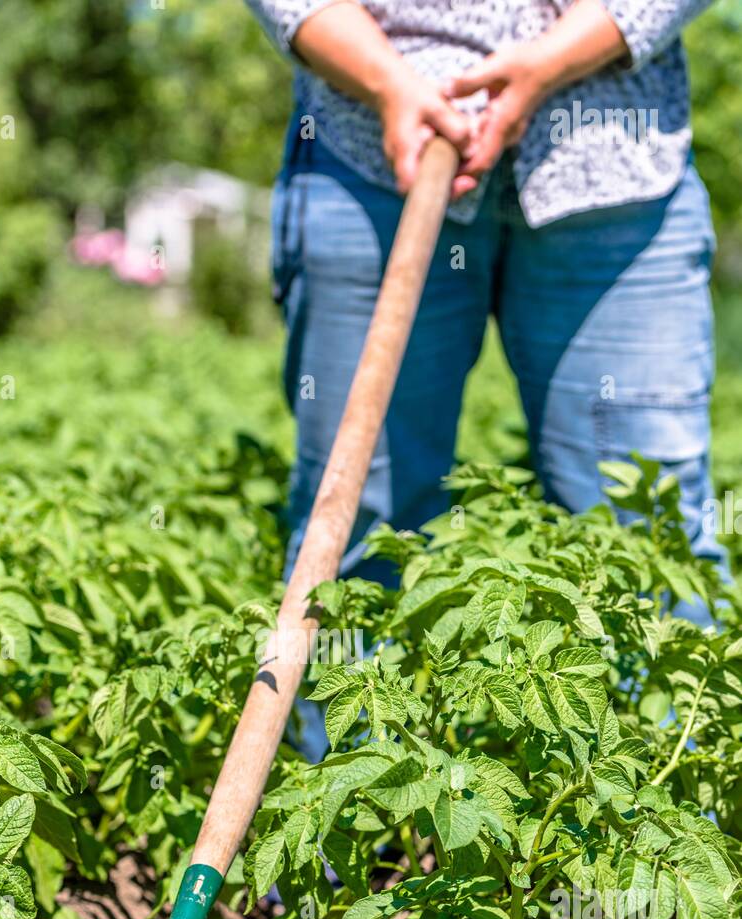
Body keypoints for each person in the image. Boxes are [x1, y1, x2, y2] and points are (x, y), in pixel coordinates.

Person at [244, 0, 724, 603]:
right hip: (369, 153)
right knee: (361, 531)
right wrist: (386, 81)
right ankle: (356, 695)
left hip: (616, 160)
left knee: (648, 537)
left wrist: (558, 57)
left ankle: (659, 702)